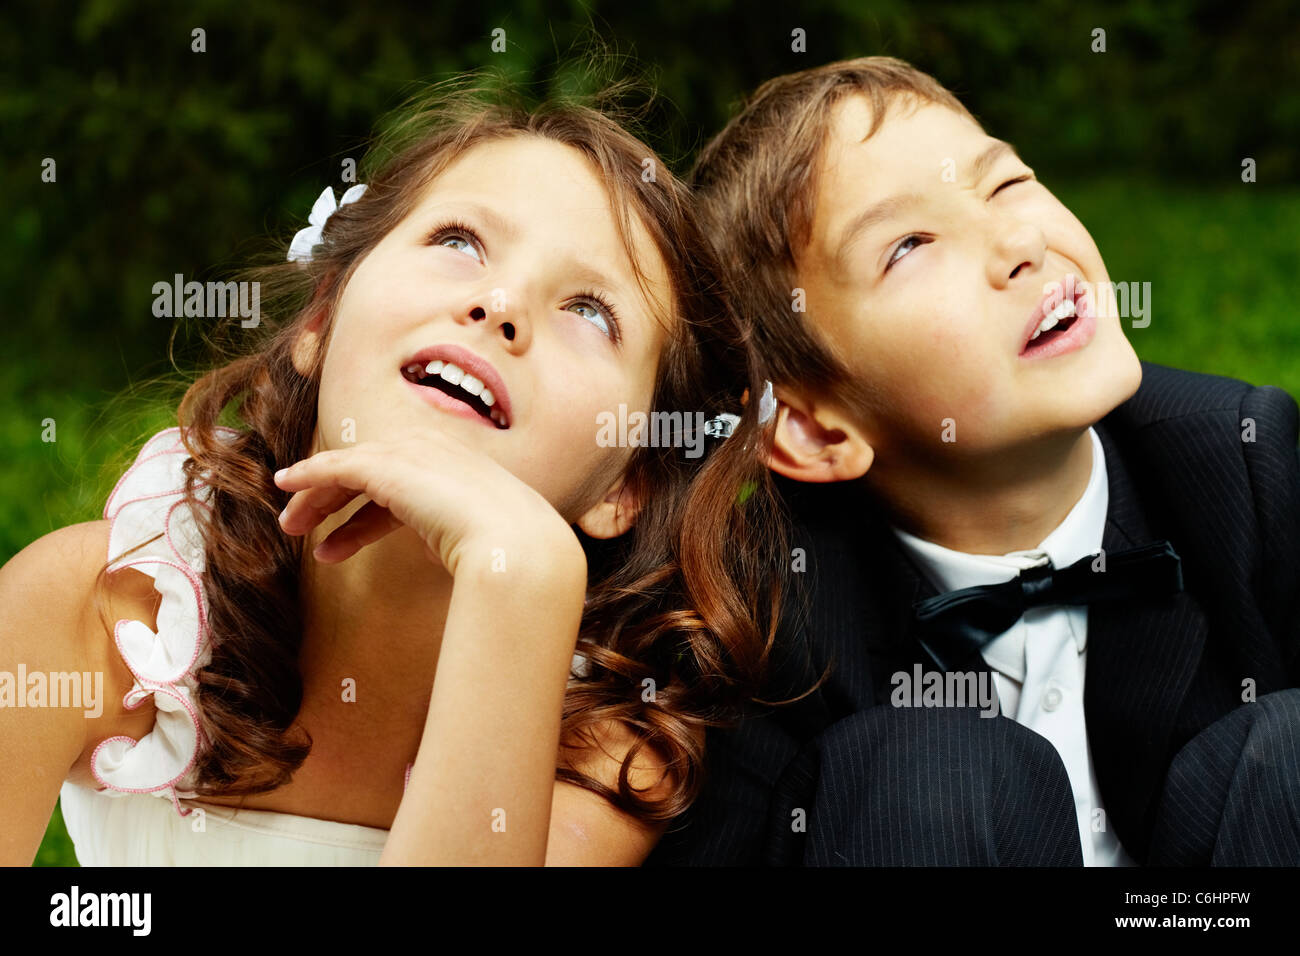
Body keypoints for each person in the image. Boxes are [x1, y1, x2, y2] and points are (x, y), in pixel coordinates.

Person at [0, 77, 786, 866]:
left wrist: (521, 580)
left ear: (628, 486)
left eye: (589, 311)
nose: (500, 303)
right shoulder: (108, 612)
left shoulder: (605, 751)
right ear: (319, 320)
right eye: (458, 242)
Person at [648, 56, 1300, 866]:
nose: (1018, 243)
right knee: (930, 773)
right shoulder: (765, 618)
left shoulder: (1246, 464)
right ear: (814, 430)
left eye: (1006, 185)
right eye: (910, 245)